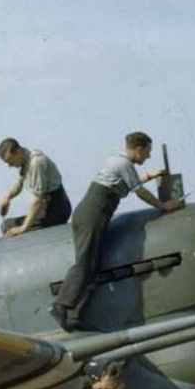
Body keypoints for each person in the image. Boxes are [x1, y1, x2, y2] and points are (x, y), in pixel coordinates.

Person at [52, 131, 184, 330]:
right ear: (139, 149)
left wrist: (151, 175)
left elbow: (130, 182)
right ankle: (61, 305)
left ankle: (73, 314)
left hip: (94, 213)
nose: (148, 156)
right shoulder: (124, 164)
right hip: (93, 214)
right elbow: (139, 191)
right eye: (147, 152)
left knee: (93, 265)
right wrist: (163, 206)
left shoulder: (117, 161)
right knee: (85, 262)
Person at [0, 138, 71, 236]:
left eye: (10, 161)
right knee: (7, 224)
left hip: (55, 211)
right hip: (45, 211)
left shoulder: (36, 163)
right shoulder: (26, 160)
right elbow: (19, 184)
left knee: (9, 228)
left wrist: (23, 228)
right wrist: (7, 197)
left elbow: (37, 200)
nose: (10, 166)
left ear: (17, 152)